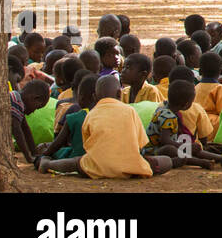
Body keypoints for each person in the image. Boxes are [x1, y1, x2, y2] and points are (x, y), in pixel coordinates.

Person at [40, 75, 173, 177]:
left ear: (94, 96)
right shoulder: (130, 111)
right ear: (119, 94)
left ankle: (47, 164)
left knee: (75, 163)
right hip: (130, 168)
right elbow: (141, 142)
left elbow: (88, 143)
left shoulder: (92, 113)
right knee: (166, 161)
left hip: (97, 167)